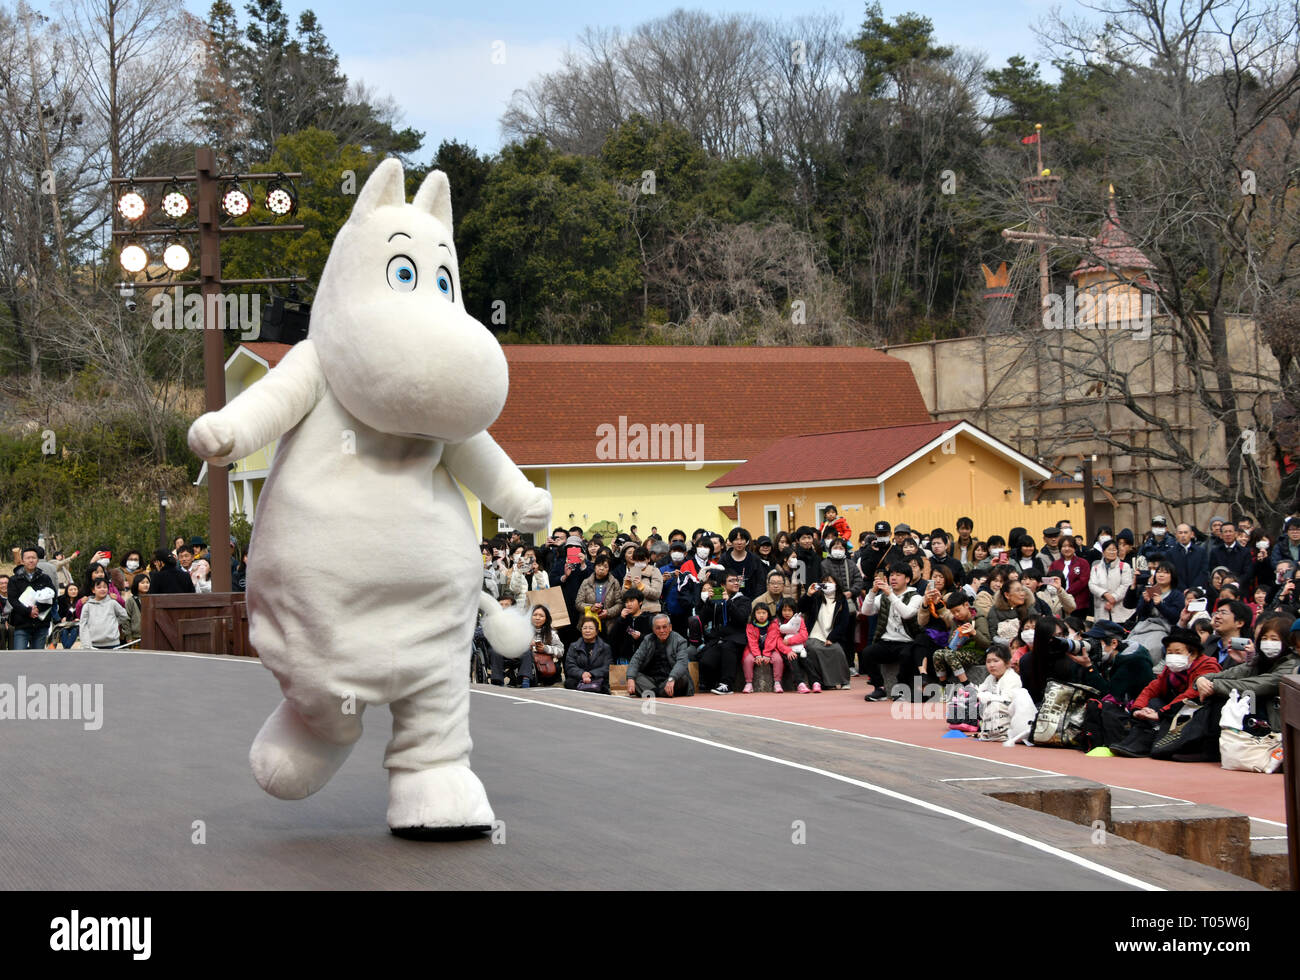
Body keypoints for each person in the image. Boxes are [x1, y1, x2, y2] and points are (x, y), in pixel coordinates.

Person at [1110, 628, 1219, 758]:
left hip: (1197, 711)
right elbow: (1153, 688)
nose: (1173, 656)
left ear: (1193, 653)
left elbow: (1190, 695)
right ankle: (1134, 742)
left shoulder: (1208, 666)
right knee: (1153, 702)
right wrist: (1138, 708)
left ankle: (1145, 743)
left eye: (1178, 652)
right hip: (1173, 709)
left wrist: (1161, 712)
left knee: (1161, 707)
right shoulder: (1171, 669)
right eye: (1169, 652)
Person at [1192, 615, 1299, 746]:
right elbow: (1231, 674)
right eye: (1264, 638)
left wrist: (1215, 685)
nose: (1268, 642)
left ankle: (1210, 748)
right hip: (1256, 709)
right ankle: (1202, 745)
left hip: (1274, 718)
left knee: (1226, 696)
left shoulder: (1292, 663)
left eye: (1274, 639)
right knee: (1217, 697)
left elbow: (1258, 685)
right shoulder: (1260, 661)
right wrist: (1202, 679)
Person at [860, 562, 924, 701]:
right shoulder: (883, 596)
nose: (893, 578)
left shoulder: (915, 597)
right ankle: (879, 688)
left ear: (907, 579)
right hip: (886, 641)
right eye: (891, 575)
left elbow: (906, 613)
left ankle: (901, 688)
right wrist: (873, 592)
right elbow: (865, 611)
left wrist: (890, 594)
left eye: (898, 575)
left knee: (906, 655)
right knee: (867, 653)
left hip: (907, 641)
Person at [798, 571, 854, 690]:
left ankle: (843, 680)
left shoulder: (841, 599)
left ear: (836, 584)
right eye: (823, 582)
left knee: (837, 650)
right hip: (814, 633)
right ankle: (824, 682)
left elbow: (843, 622)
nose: (826, 584)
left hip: (832, 634)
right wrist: (808, 594)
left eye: (829, 582)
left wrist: (832, 637)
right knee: (814, 649)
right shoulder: (816, 597)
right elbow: (801, 608)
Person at [698, 572, 751, 694]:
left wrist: (729, 603)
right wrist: (709, 603)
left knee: (728, 647)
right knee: (706, 661)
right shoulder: (716, 600)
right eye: (731, 581)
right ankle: (712, 683)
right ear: (722, 585)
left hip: (735, 639)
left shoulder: (744, 600)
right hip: (718, 638)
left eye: (737, 580)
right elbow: (703, 619)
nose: (736, 583)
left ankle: (727, 684)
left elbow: (741, 619)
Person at [922, 591, 988, 688]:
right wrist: (954, 638)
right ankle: (944, 685)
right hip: (961, 651)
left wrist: (974, 633)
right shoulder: (956, 621)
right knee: (937, 654)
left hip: (978, 653)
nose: (956, 614)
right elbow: (950, 645)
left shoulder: (979, 618)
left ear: (966, 605)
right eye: (953, 612)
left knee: (949, 654)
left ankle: (967, 685)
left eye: (958, 611)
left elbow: (987, 643)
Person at [626, 614, 695, 698]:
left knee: (682, 677)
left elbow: (682, 663)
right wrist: (630, 678)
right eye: (658, 628)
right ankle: (660, 692)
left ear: (670, 627)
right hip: (652, 681)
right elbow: (636, 659)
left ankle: (653, 693)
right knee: (633, 676)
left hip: (670, 679)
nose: (662, 631)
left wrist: (671, 678)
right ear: (653, 630)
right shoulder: (648, 639)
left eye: (664, 627)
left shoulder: (680, 641)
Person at [8, 546, 57, 650]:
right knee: (19, 656)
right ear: (22, 560)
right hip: (22, 624)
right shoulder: (14, 579)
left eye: (33, 558)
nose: (31, 560)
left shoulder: (45, 578)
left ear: (37, 560)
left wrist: (38, 609)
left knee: (37, 659)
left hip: (41, 625)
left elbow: (52, 596)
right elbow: (13, 600)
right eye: (28, 558)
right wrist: (28, 611)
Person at [973, 646, 1024, 741]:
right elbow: (979, 691)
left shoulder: (1012, 678)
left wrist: (987, 697)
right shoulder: (990, 678)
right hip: (993, 720)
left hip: (1011, 719)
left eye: (996, 661)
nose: (991, 665)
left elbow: (1007, 700)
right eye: (988, 662)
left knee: (996, 705)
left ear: (1007, 663)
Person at [775, 598, 817, 693]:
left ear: (794, 611)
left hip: (800, 648)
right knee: (793, 661)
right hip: (787, 651)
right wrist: (788, 651)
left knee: (807, 660)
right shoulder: (778, 622)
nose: (787, 613)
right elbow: (778, 640)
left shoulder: (799, 620)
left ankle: (815, 682)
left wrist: (789, 640)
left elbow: (804, 635)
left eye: (790, 610)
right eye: (784, 610)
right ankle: (800, 684)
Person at [1089, 539, 1135, 624]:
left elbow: (1125, 585)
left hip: (1120, 612)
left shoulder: (1124, 566)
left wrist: (1113, 598)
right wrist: (1104, 594)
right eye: (1109, 550)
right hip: (1102, 612)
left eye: (1114, 550)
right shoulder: (1095, 568)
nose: (1112, 552)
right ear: (1103, 552)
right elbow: (1092, 585)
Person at [742, 602, 785, 693]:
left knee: (778, 660)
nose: (761, 615)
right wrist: (757, 655)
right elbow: (752, 642)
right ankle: (748, 683)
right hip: (753, 650)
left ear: (768, 614)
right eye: (758, 613)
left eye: (764, 613)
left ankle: (777, 683)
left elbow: (771, 640)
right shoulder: (750, 626)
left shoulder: (773, 625)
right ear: (754, 614)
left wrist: (766, 654)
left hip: (770, 649)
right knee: (747, 660)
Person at [78, 578, 130, 650]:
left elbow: (124, 615)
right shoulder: (87, 606)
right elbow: (83, 625)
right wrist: (86, 645)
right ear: (93, 590)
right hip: (93, 645)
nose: (102, 589)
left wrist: (114, 623)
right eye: (99, 587)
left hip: (113, 644)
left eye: (105, 587)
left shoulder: (112, 603)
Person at [564, 614, 612, 693]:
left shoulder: (605, 647)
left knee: (605, 687)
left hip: (597, 678)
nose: (587, 631)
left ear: (596, 631)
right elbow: (570, 666)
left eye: (591, 628)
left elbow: (607, 667)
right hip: (579, 679)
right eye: (585, 628)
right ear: (581, 630)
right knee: (569, 683)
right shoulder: (574, 646)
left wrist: (591, 674)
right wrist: (582, 674)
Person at [574, 555, 623, 629]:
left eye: (605, 566)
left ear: (609, 569)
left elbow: (619, 603)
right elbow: (578, 603)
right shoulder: (586, 582)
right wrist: (591, 608)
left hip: (609, 625)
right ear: (594, 567)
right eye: (599, 565)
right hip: (589, 623)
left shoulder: (614, 582)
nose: (602, 568)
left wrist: (608, 612)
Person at [607, 588, 654, 664]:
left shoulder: (649, 618)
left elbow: (654, 639)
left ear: (640, 602)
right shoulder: (623, 618)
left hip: (644, 659)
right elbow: (612, 638)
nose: (628, 604)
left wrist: (641, 637)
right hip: (624, 659)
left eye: (632, 601)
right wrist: (621, 619)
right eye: (626, 602)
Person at [1047, 535, 1090, 616]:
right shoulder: (1055, 564)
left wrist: (1065, 593)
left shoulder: (1083, 562)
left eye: (1070, 546)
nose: (1067, 549)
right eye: (1064, 546)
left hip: (1078, 603)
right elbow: (1049, 580)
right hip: (1059, 603)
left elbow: (1083, 581)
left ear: (1074, 547)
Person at [719, 527, 764, 598]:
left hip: (751, 599)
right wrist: (722, 599)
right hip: (728, 599)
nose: (739, 542)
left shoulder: (754, 559)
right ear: (731, 541)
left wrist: (756, 601)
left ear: (746, 541)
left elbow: (760, 582)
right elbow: (719, 580)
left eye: (742, 539)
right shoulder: (724, 559)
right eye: (736, 539)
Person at [124, 574, 150, 645]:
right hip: (136, 637)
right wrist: (128, 637)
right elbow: (126, 619)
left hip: (151, 635)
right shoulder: (130, 601)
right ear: (136, 584)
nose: (146, 585)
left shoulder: (152, 599)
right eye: (142, 583)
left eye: (147, 582)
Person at [54, 583, 81, 649]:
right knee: (64, 631)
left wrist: (79, 618)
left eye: (75, 589)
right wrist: (61, 618)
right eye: (71, 590)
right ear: (67, 591)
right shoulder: (61, 600)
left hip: (75, 624)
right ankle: (67, 648)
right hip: (64, 624)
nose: (73, 591)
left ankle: (66, 648)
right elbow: (57, 612)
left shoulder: (80, 600)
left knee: (74, 631)